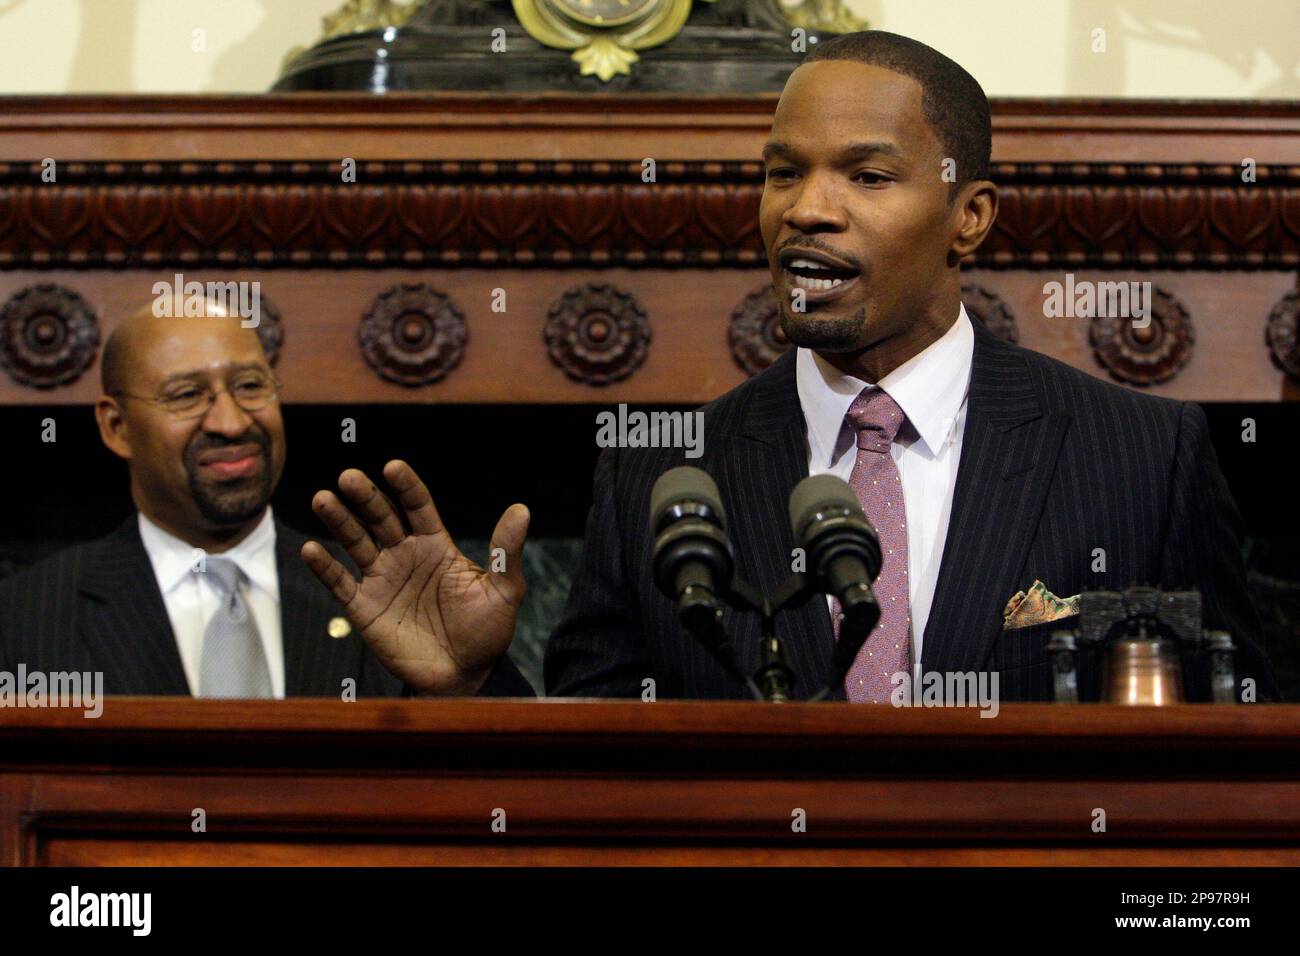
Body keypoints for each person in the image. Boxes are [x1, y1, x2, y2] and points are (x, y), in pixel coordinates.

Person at [302, 30, 1278, 703]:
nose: (803, 208)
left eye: (864, 174)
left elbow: (1241, 753)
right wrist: (476, 681)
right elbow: (599, 787)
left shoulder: (1140, 456)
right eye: (780, 172)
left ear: (968, 216)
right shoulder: (659, 470)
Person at [0, 295, 527, 697]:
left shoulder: (387, 597)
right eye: (187, 396)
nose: (231, 423)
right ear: (117, 426)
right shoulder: (26, 617)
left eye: (251, 386)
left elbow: (519, 798)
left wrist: (470, 680)